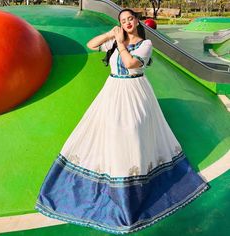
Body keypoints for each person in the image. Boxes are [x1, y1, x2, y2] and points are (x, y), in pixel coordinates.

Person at [35, 9, 209, 234]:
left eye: (130, 19)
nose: (127, 23)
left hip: (135, 92)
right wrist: (110, 36)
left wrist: (121, 43)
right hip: (112, 91)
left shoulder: (145, 45)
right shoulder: (116, 40)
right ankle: (112, 177)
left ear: (137, 21)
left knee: (133, 131)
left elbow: (130, 65)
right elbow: (91, 44)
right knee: (108, 132)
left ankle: (133, 187)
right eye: (123, 20)